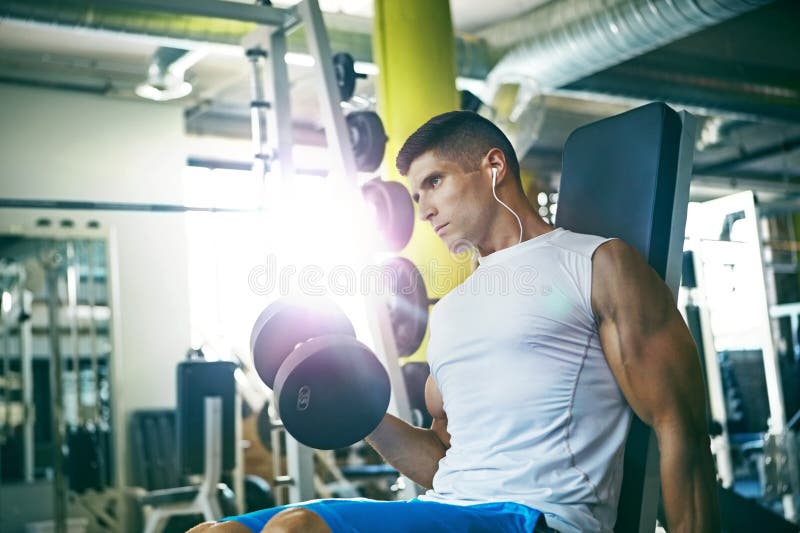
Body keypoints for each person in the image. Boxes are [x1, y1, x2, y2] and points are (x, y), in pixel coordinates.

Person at [189, 111, 719, 533]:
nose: (424, 209)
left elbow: (681, 428)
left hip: (540, 519)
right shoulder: (450, 312)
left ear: (493, 167)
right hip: (454, 508)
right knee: (216, 531)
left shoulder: (596, 264)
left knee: (296, 530)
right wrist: (357, 410)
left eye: (434, 182)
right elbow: (447, 465)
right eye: (416, 196)